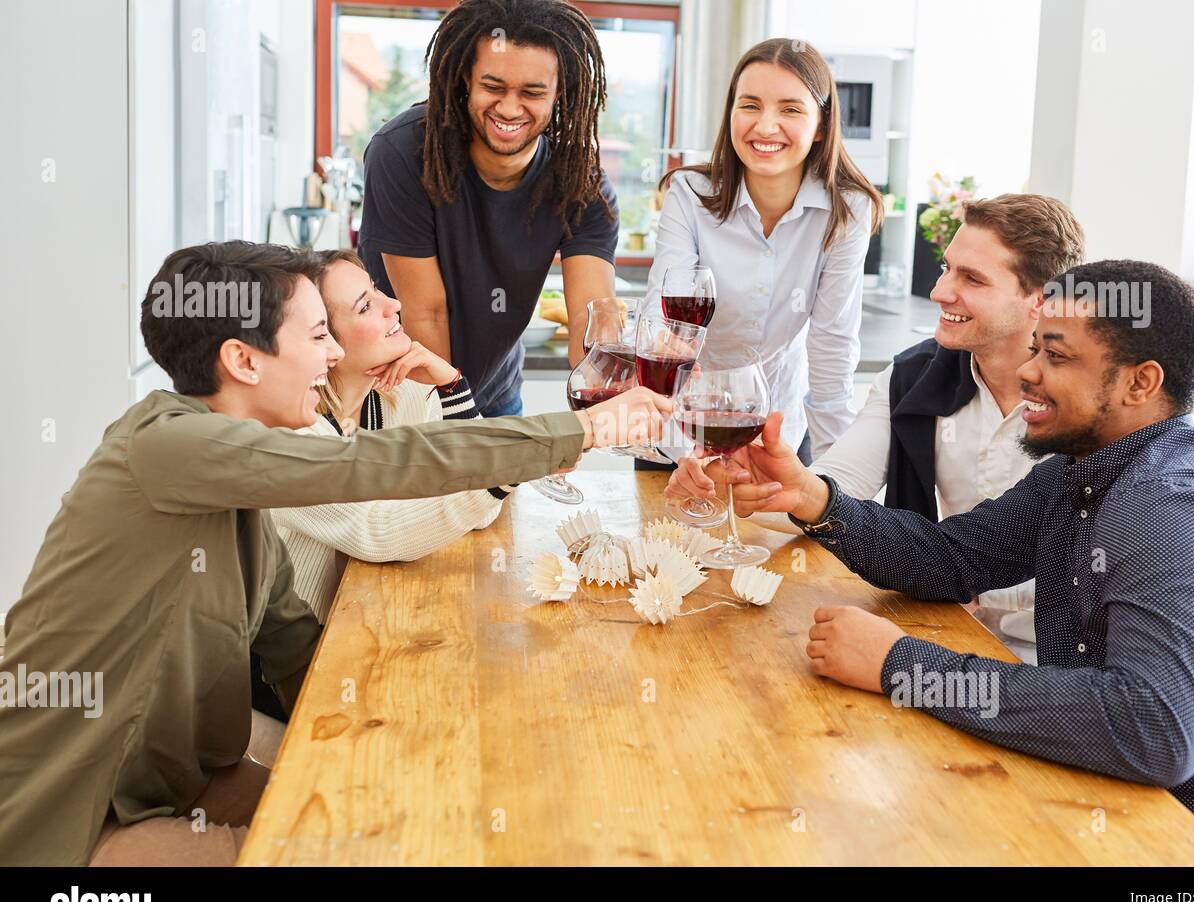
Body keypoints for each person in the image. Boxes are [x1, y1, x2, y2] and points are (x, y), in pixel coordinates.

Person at [0, 241, 668, 866]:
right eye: (319, 336)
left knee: (390, 818)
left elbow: (295, 646)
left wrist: (414, 734)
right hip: (79, 816)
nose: (331, 357)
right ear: (243, 360)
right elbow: (372, 463)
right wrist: (584, 427)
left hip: (178, 781)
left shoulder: (243, 489)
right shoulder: (164, 447)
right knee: (334, 850)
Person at [706, 260, 1194, 832]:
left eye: (1057, 356)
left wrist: (903, 666)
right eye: (1036, 347)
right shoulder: (1079, 470)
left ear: (1140, 383)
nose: (1028, 372)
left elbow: (1152, 729)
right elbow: (950, 558)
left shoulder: (1174, 504)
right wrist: (814, 496)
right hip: (1116, 800)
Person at [668, 193, 1087, 661]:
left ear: (1042, 300)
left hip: (1051, 662)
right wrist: (736, 485)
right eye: (947, 268)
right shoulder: (913, 377)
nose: (940, 291)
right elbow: (834, 491)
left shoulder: (1088, 407)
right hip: (937, 634)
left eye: (972, 279)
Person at [358, 0, 618, 418]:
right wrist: (456, 430)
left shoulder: (582, 184)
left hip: (498, 396)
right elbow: (426, 313)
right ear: (466, 77)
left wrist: (611, 394)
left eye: (532, 93)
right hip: (400, 401)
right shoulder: (403, 152)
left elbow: (593, 318)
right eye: (493, 87)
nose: (510, 109)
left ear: (560, 93)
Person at [645, 37, 882, 468]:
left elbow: (832, 346)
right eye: (750, 105)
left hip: (774, 435)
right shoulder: (689, 193)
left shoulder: (847, 212)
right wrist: (668, 359)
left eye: (790, 109)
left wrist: (838, 489)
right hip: (681, 430)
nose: (765, 126)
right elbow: (665, 308)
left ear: (822, 125)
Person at [270, 251, 520, 627]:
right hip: (302, 657)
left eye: (375, 289)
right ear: (324, 340)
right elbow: (378, 532)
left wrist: (452, 386)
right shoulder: (293, 436)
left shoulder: (404, 396)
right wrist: (503, 470)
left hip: (371, 618)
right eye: (366, 305)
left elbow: (482, 512)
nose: (394, 305)